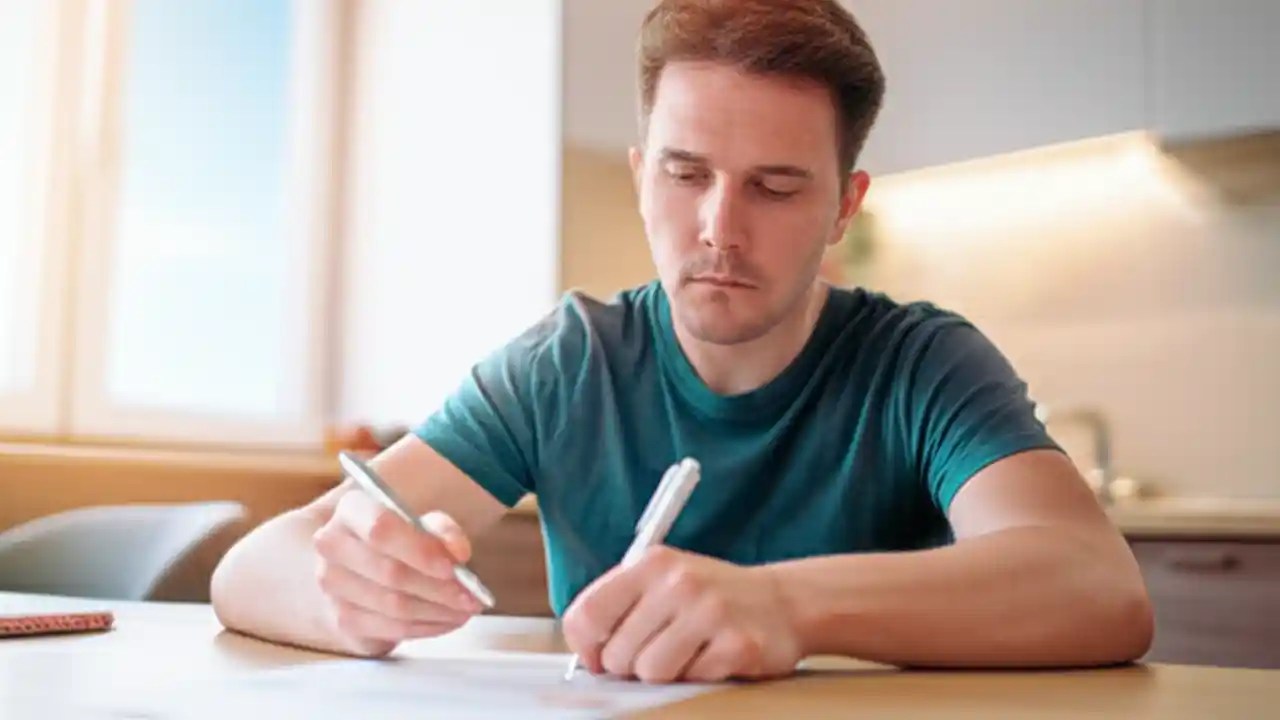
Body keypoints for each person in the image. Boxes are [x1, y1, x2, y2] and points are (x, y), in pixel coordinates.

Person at [211, 0, 1154, 683]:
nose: (717, 228)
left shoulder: (919, 364)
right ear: (639, 177)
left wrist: (789, 606)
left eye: (776, 187)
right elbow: (251, 570)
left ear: (843, 209)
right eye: (685, 173)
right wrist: (350, 591)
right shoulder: (568, 362)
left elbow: (1097, 586)